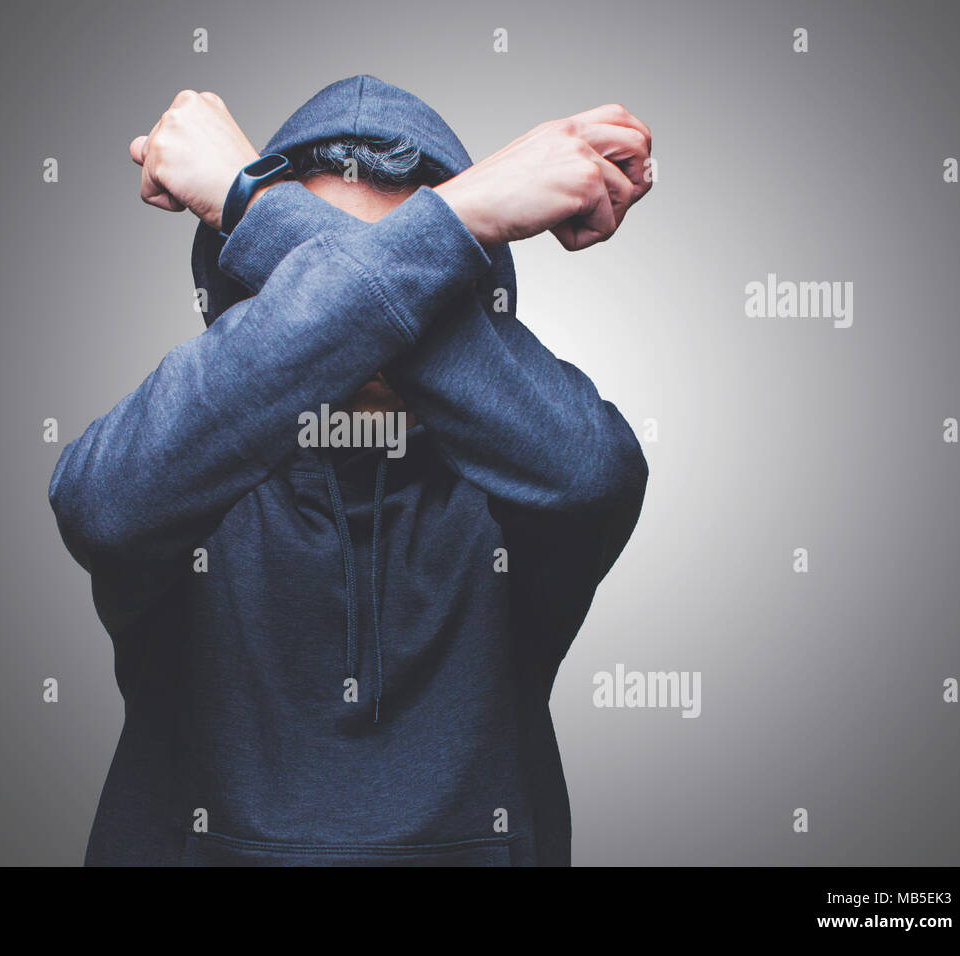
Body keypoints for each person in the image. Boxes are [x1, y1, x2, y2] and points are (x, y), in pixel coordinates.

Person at [48, 75, 652, 866]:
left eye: (412, 270)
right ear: (256, 294)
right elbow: (100, 506)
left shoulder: (521, 473)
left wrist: (251, 204)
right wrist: (462, 216)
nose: (362, 330)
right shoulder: (192, 458)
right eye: (318, 282)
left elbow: (593, 476)